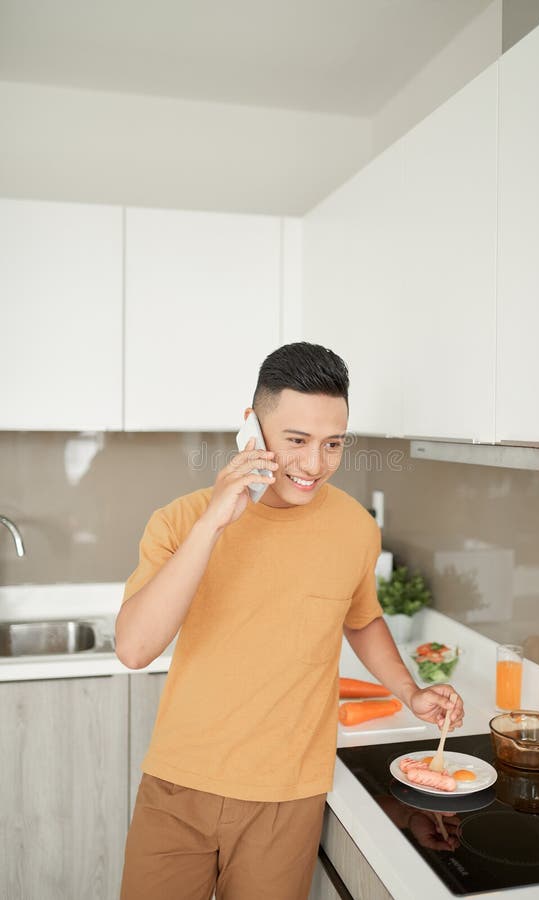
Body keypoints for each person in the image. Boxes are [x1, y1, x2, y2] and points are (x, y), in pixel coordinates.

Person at [117, 341, 464, 900]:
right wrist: (213, 523)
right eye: (296, 441)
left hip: (287, 798)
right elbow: (134, 649)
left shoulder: (354, 528)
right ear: (251, 427)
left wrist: (409, 691)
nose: (314, 465)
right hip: (178, 787)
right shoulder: (181, 521)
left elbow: (362, 618)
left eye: (333, 445)